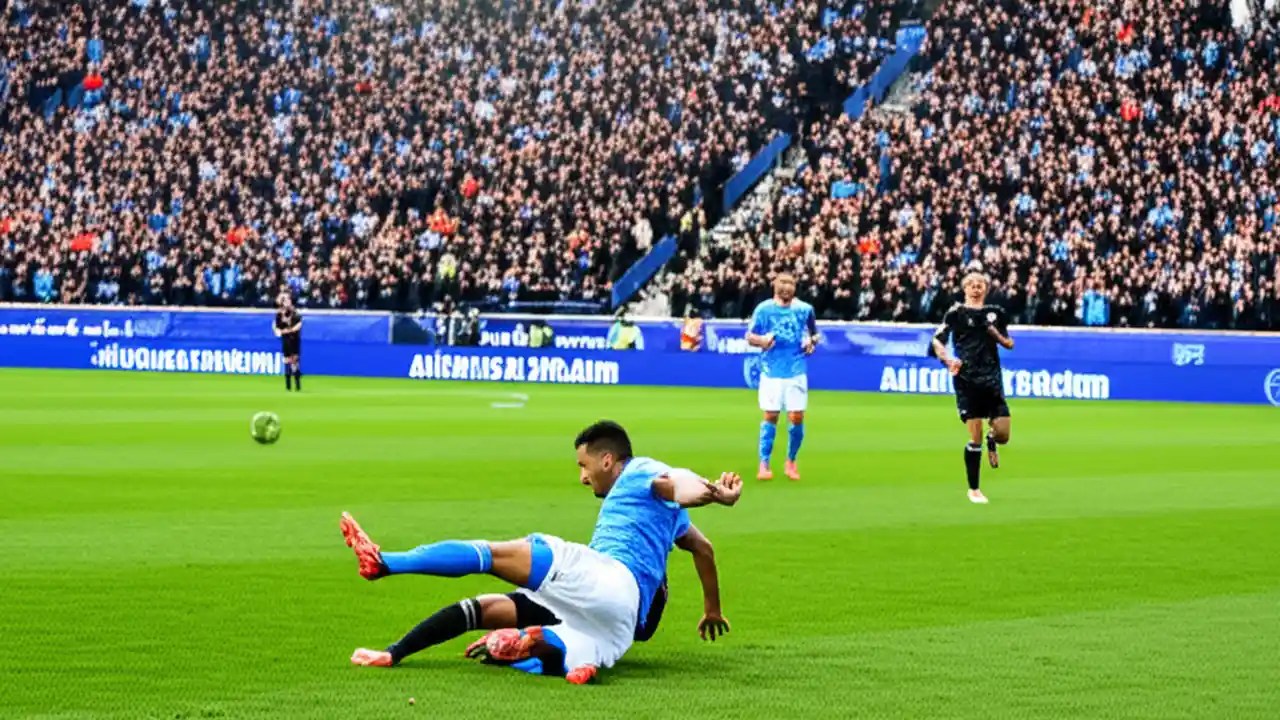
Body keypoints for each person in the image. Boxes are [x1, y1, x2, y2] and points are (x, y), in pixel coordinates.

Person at [341, 420, 742, 684]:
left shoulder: (638, 471)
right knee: (525, 631)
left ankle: (387, 562)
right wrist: (712, 610)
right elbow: (703, 549)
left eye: (584, 465)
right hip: (619, 625)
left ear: (607, 459)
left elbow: (678, 482)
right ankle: (534, 649)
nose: (583, 476)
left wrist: (712, 493)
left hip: (607, 578)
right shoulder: (666, 516)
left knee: (494, 555)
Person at [929, 272, 1015, 504]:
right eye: (972, 285)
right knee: (973, 436)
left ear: (985, 289)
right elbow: (937, 340)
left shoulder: (997, 313)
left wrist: (995, 333)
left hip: (992, 379)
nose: (976, 288)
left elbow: (1009, 342)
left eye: (980, 285)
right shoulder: (956, 313)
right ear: (964, 288)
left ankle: (992, 439)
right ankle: (974, 489)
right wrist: (947, 360)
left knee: (1004, 434)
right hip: (967, 379)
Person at [745, 273, 819, 481]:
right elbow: (749, 336)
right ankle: (764, 463)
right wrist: (763, 341)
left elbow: (814, 334)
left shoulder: (805, 310)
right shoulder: (764, 309)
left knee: (796, 417)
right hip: (771, 371)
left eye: (791, 284)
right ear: (774, 285)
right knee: (771, 416)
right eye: (783, 283)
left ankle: (791, 461)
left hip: (796, 370)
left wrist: (810, 344)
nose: (786, 287)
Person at [273, 294, 303, 392]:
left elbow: (299, 324)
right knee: (287, 360)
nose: (287, 303)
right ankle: (288, 385)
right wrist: (280, 331)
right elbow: (276, 326)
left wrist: (289, 330)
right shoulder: (279, 314)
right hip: (286, 339)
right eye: (285, 301)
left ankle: (297, 384)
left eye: (288, 301)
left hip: (294, 338)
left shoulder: (295, 313)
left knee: (295, 360)